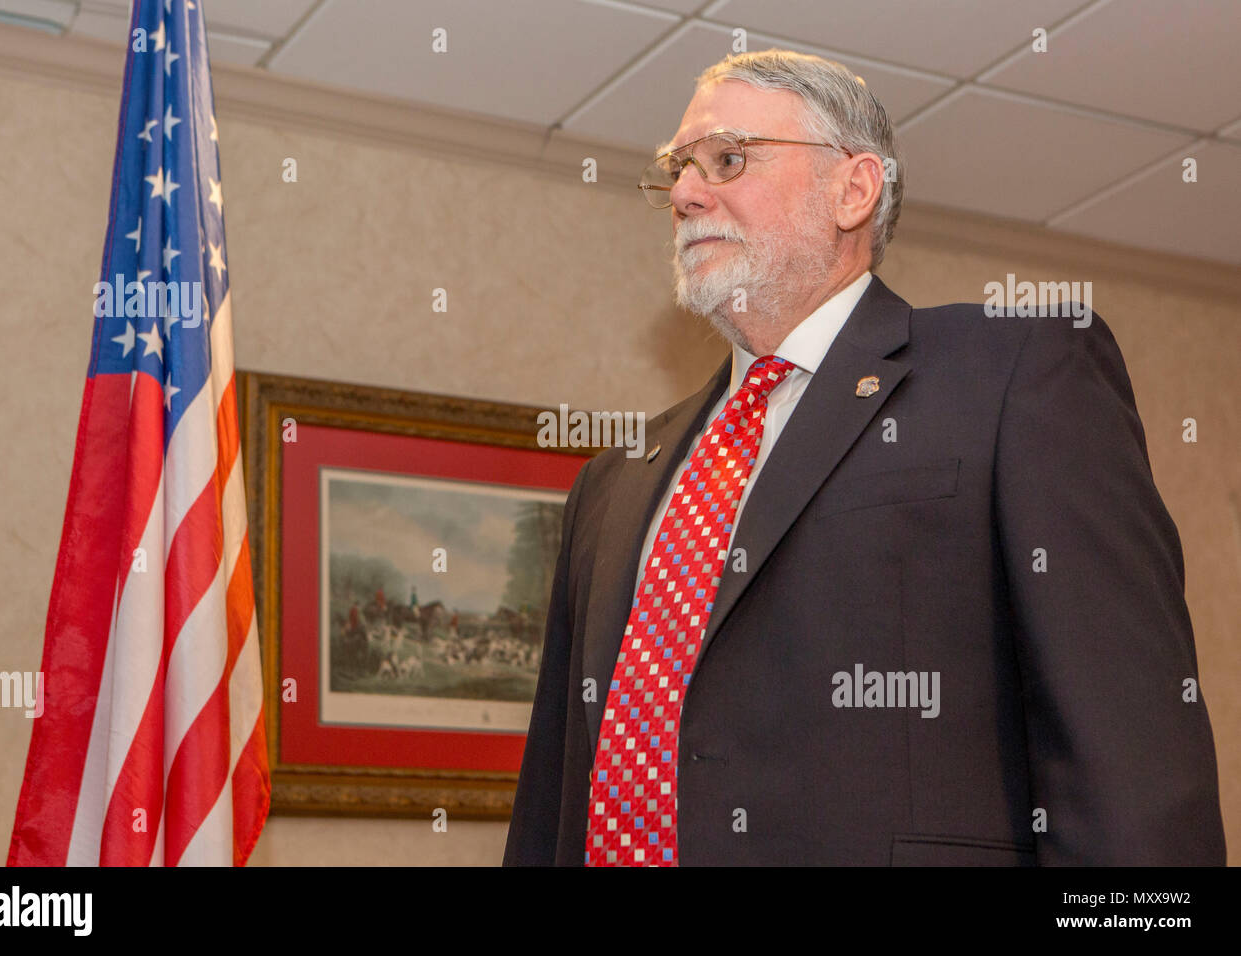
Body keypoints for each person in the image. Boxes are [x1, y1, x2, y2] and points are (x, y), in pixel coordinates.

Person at [503, 49, 1226, 866]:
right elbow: (553, 799)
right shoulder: (615, 480)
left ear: (854, 189)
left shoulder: (1019, 371)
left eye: (727, 159)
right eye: (676, 171)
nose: (683, 194)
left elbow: (1129, 752)